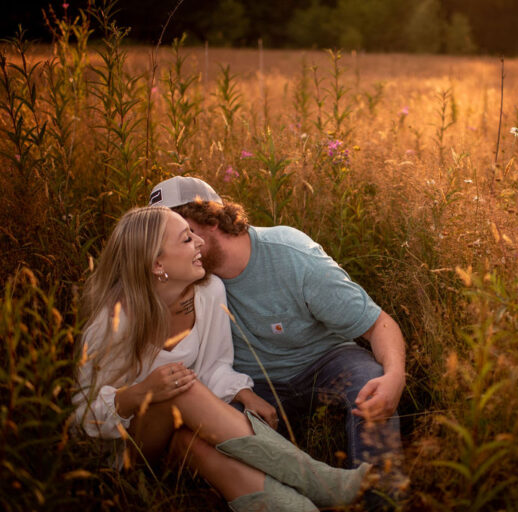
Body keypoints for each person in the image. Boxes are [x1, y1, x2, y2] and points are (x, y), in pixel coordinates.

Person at [73, 205, 371, 512]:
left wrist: (242, 393)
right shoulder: (115, 321)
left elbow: (214, 366)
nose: (199, 242)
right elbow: (84, 415)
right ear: (157, 263)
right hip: (132, 449)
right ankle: (318, 480)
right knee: (180, 387)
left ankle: (301, 504)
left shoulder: (208, 292)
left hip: (184, 439)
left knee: (196, 441)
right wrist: (144, 392)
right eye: (186, 239)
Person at [148, 177, 407, 491]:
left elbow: (378, 324)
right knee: (200, 432)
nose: (175, 246)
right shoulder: (187, 277)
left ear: (212, 219)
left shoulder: (292, 256)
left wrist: (395, 375)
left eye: (183, 231)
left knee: (371, 382)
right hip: (252, 384)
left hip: (325, 362)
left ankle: (381, 497)